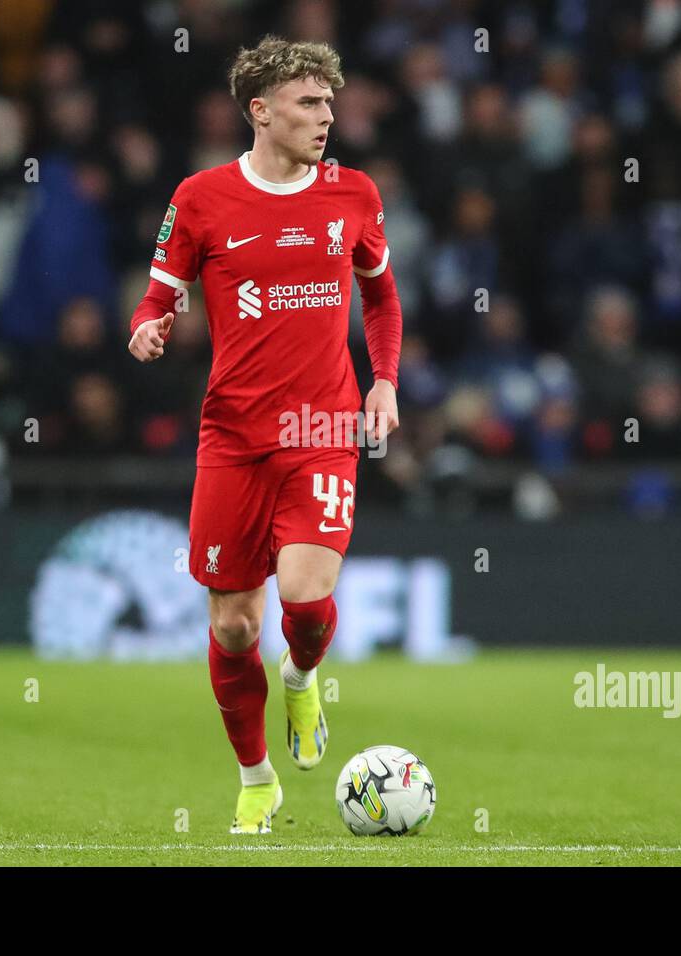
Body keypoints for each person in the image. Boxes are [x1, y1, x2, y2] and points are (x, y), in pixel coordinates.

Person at [127, 36, 403, 833]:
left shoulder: (354, 195)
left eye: (329, 103)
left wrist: (383, 381)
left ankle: (305, 672)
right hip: (233, 437)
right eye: (310, 103)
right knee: (233, 624)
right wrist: (147, 328)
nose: (327, 117)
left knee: (307, 599)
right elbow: (157, 298)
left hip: (322, 425)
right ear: (261, 110)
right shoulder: (202, 197)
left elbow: (381, 299)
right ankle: (256, 779)